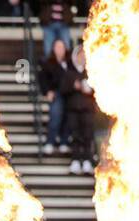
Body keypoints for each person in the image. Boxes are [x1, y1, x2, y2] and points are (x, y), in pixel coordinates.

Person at [61, 45, 96, 176]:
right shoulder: (69, 73)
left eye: (84, 56)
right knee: (75, 135)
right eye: (80, 55)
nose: (82, 58)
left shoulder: (91, 73)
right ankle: (75, 160)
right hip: (73, 110)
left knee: (87, 135)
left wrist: (88, 89)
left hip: (88, 110)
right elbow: (63, 89)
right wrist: (73, 86)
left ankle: (87, 160)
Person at [37, 39, 72, 156]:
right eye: (57, 47)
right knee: (55, 117)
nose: (59, 50)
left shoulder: (69, 62)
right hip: (56, 93)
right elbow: (42, 78)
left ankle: (64, 142)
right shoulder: (48, 62)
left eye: (61, 47)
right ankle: (50, 141)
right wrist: (47, 92)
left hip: (69, 94)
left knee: (67, 119)